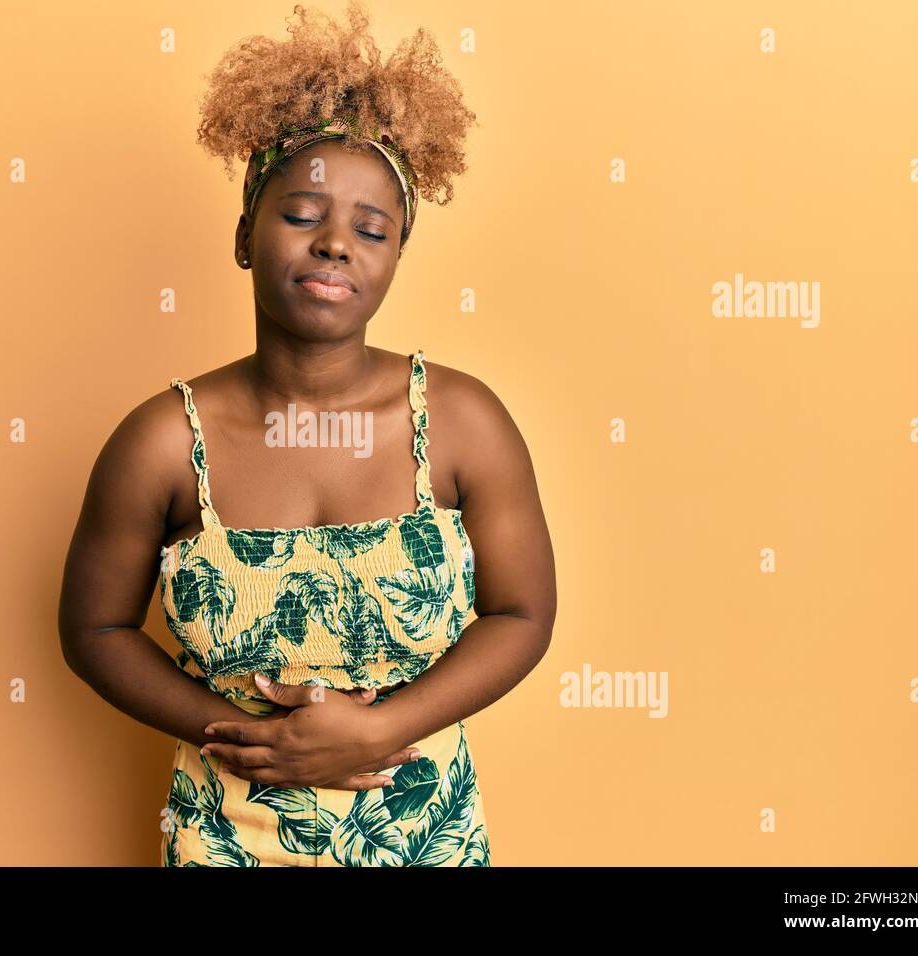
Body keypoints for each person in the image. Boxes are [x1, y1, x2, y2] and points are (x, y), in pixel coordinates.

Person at [58, 1, 556, 866]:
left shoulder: (464, 423)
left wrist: (382, 729)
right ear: (245, 233)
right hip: (225, 841)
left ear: (396, 255)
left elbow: (522, 613)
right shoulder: (162, 442)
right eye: (302, 215)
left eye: (372, 229)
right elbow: (93, 631)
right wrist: (250, 736)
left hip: (425, 842)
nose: (336, 245)